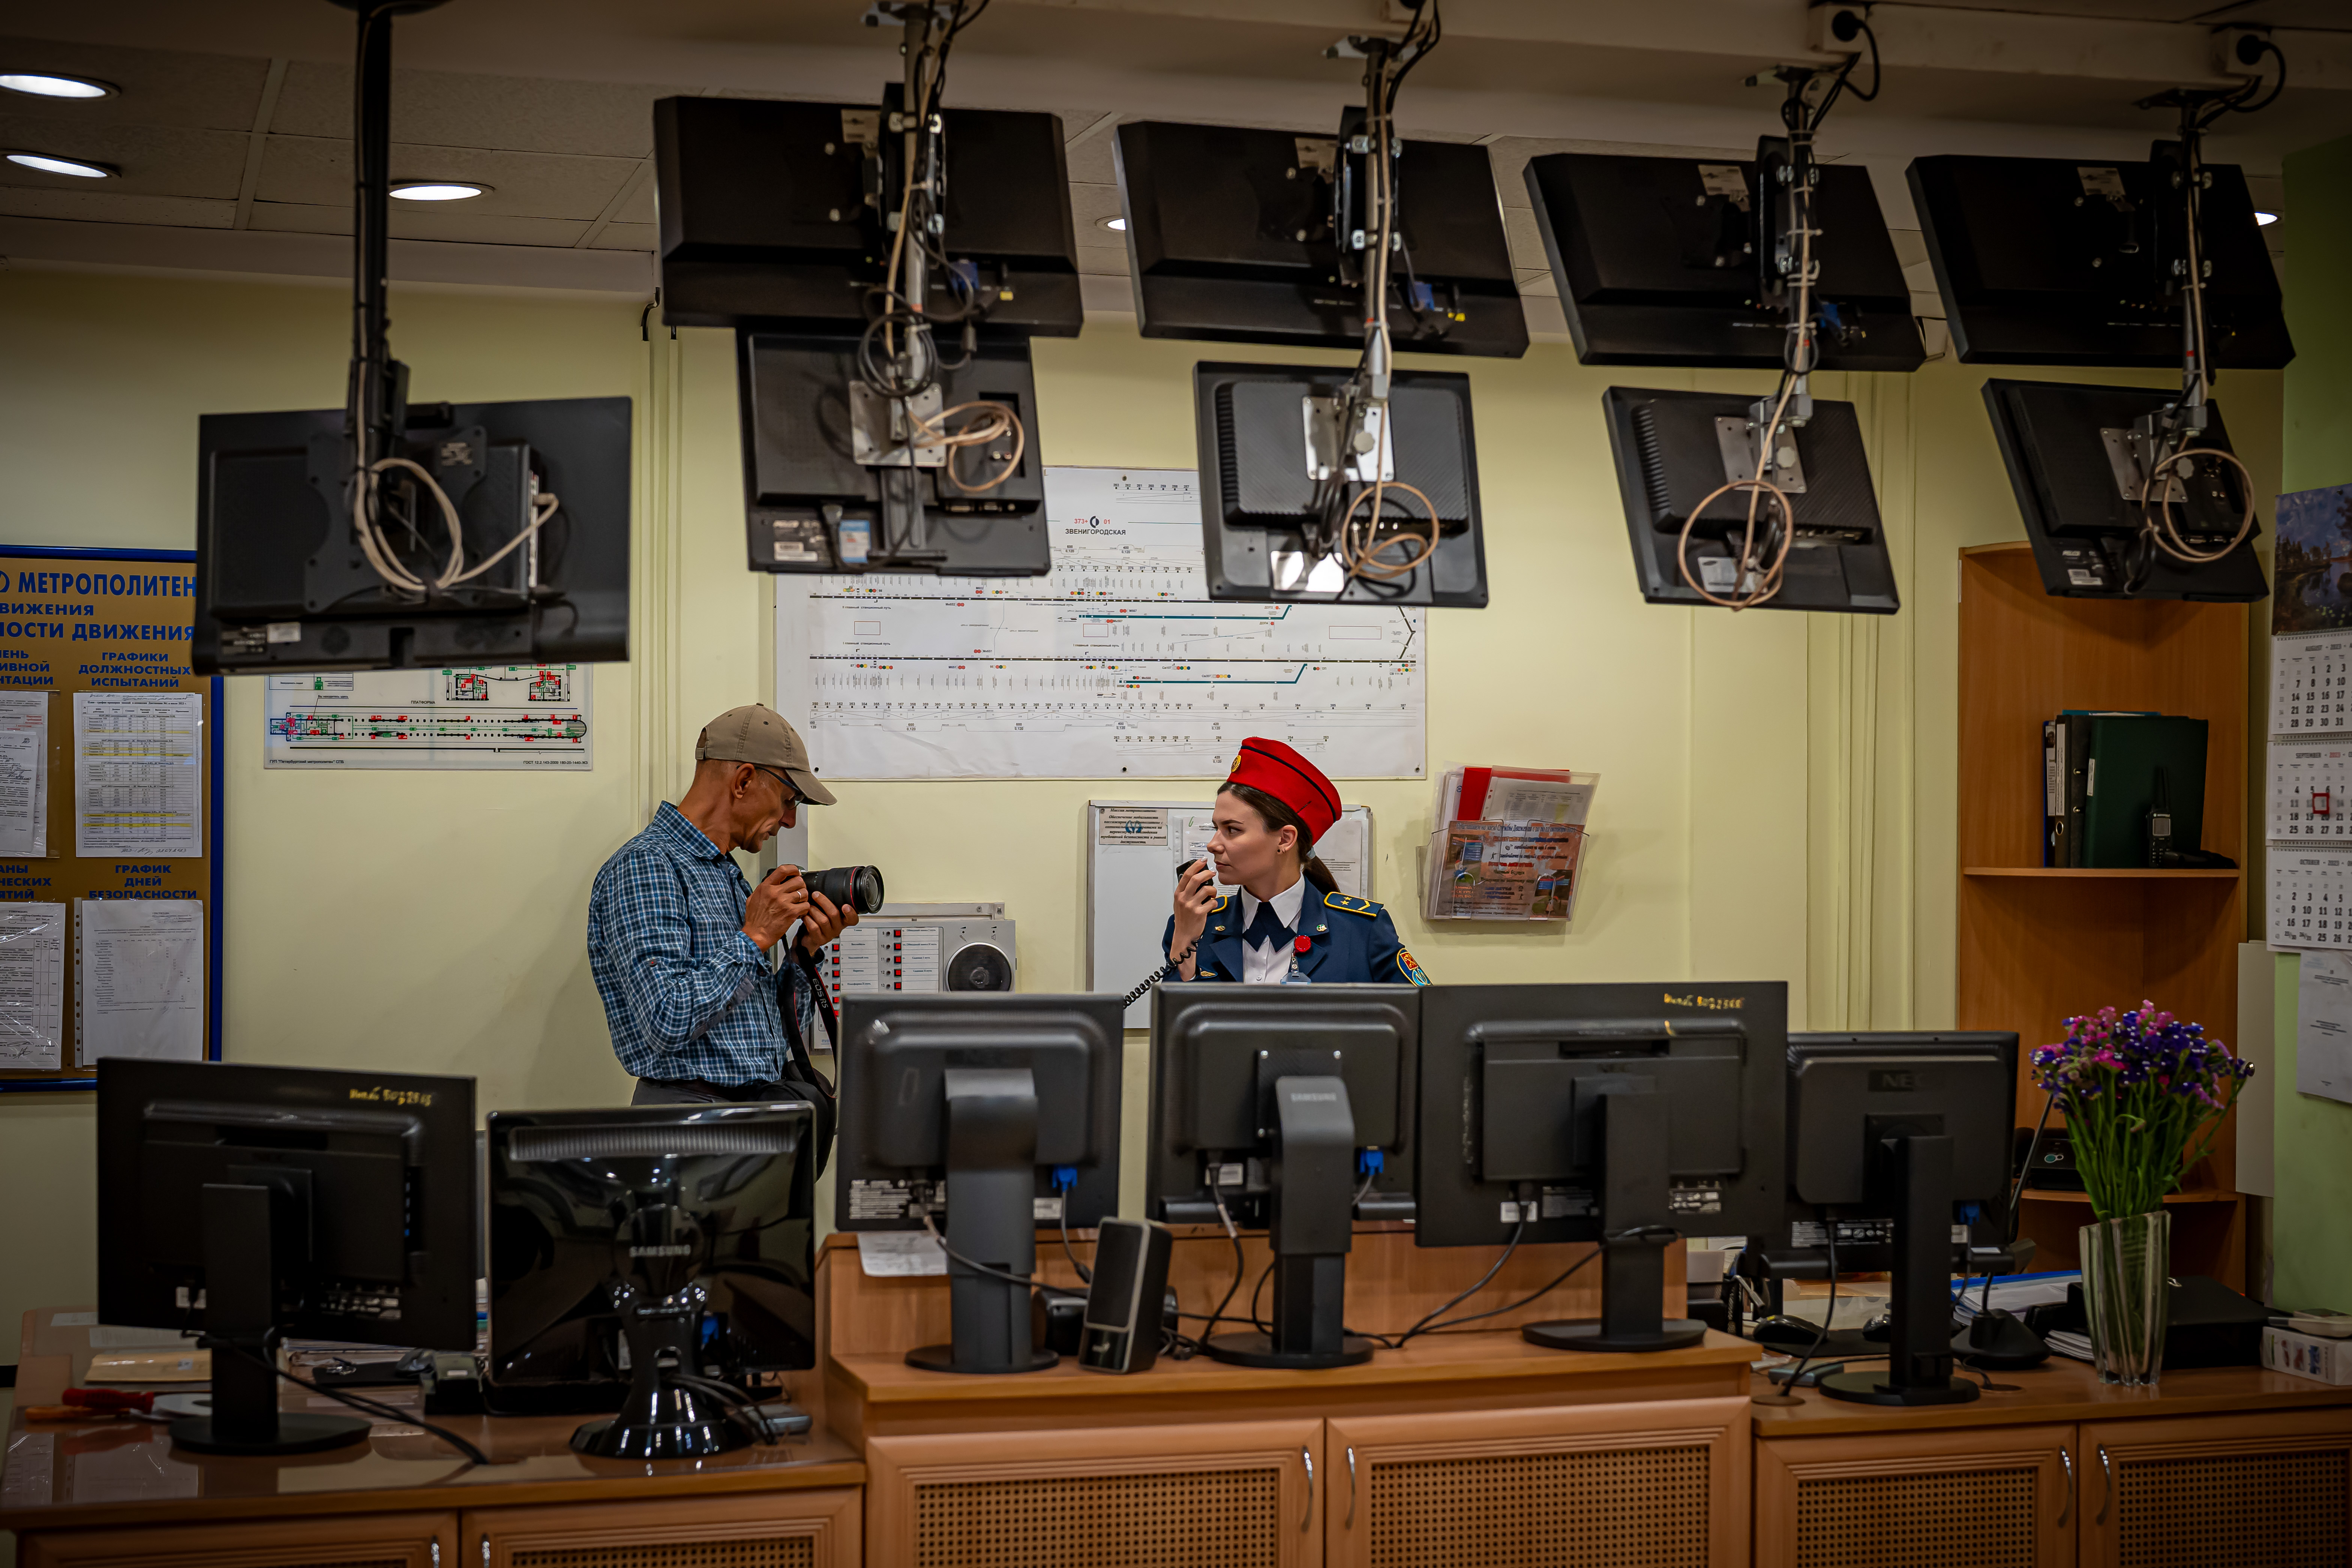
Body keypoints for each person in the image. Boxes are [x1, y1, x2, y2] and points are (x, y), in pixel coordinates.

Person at [587, 704, 860, 1114]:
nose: (789, 820)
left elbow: (771, 1036)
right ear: (744, 780)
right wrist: (753, 938)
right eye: (789, 799)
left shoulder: (725, 874)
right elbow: (666, 1019)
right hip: (689, 1118)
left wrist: (803, 955)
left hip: (746, 1112)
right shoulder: (646, 866)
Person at [1161, 737, 1429, 987]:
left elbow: (1430, 1021)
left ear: (1285, 839)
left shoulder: (1362, 930)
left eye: (1232, 830)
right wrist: (1185, 941)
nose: (1213, 844)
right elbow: (1176, 1028)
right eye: (1216, 828)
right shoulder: (1195, 924)